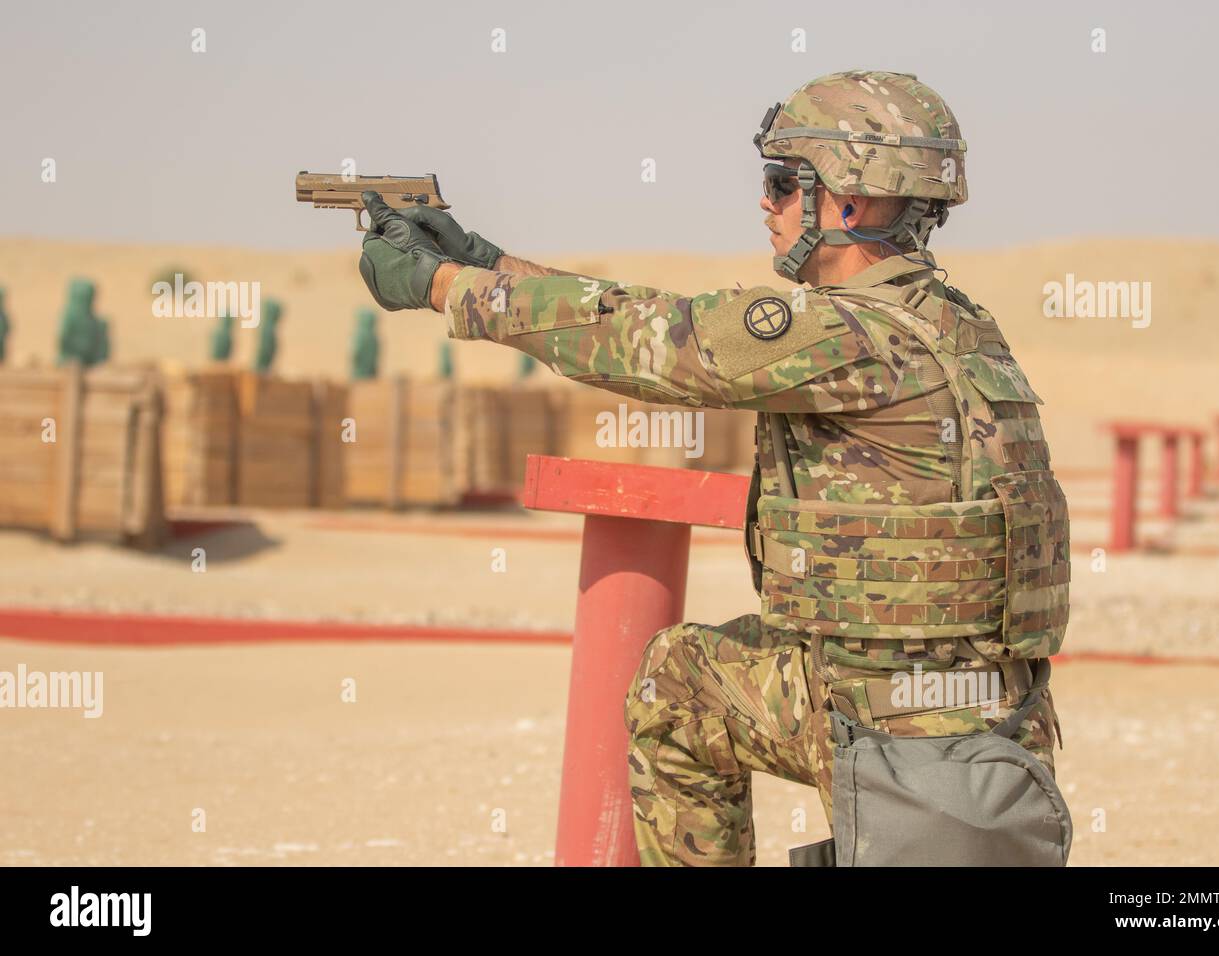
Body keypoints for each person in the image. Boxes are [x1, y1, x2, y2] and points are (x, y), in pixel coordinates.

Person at [355, 70, 1068, 866]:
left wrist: (445, 287)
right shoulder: (964, 328)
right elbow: (662, 318)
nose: (766, 205)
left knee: (676, 681)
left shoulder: (841, 332)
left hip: (880, 724)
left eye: (781, 184)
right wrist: (490, 262)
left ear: (848, 203)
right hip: (1006, 722)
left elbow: (652, 345)